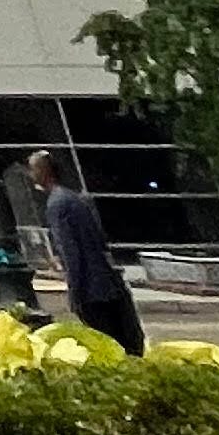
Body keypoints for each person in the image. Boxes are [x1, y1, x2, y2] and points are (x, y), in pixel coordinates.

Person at [24, 151, 142, 354]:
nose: (30, 175)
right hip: (108, 284)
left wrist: (75, 293)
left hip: (91, 290)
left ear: (44, 172)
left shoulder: (56, 205)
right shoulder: (74, 199)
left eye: (33, 169)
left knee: (106, 345)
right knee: (125, 342)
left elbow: (71, 253)